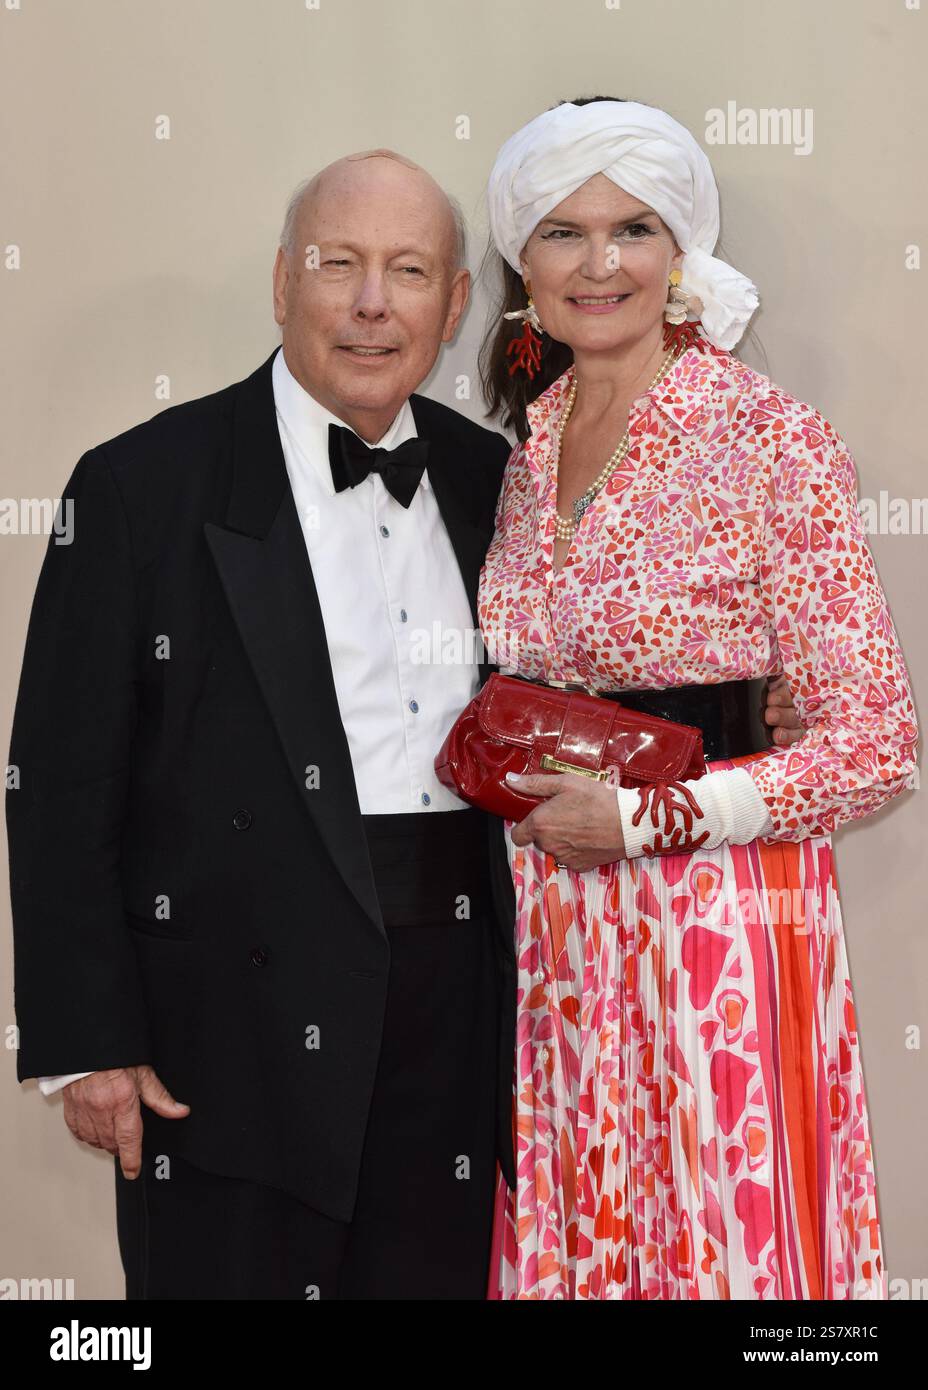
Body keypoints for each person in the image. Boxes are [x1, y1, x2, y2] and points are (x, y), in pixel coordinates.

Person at [6, 145, 804, 1302]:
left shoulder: (504, 477)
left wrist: (746, 713)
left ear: (458, 303)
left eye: (411, 271)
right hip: (226, 1028)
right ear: (282, 281)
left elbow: (585, 685)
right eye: (340, 265)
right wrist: (89, 1039)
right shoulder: (141, 485)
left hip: (465, 996)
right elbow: (63, 779)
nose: (373, 305)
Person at [476, 96, 919, 1300]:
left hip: (719, 922)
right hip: (549, 933)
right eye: (564, 233)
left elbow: (877, 745)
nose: (601, 262)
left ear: (682, 251)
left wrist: (644, 821)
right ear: (523, 264)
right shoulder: (520, 454)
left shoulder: (771, 441)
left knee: (723, 1243)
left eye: (634, 228)